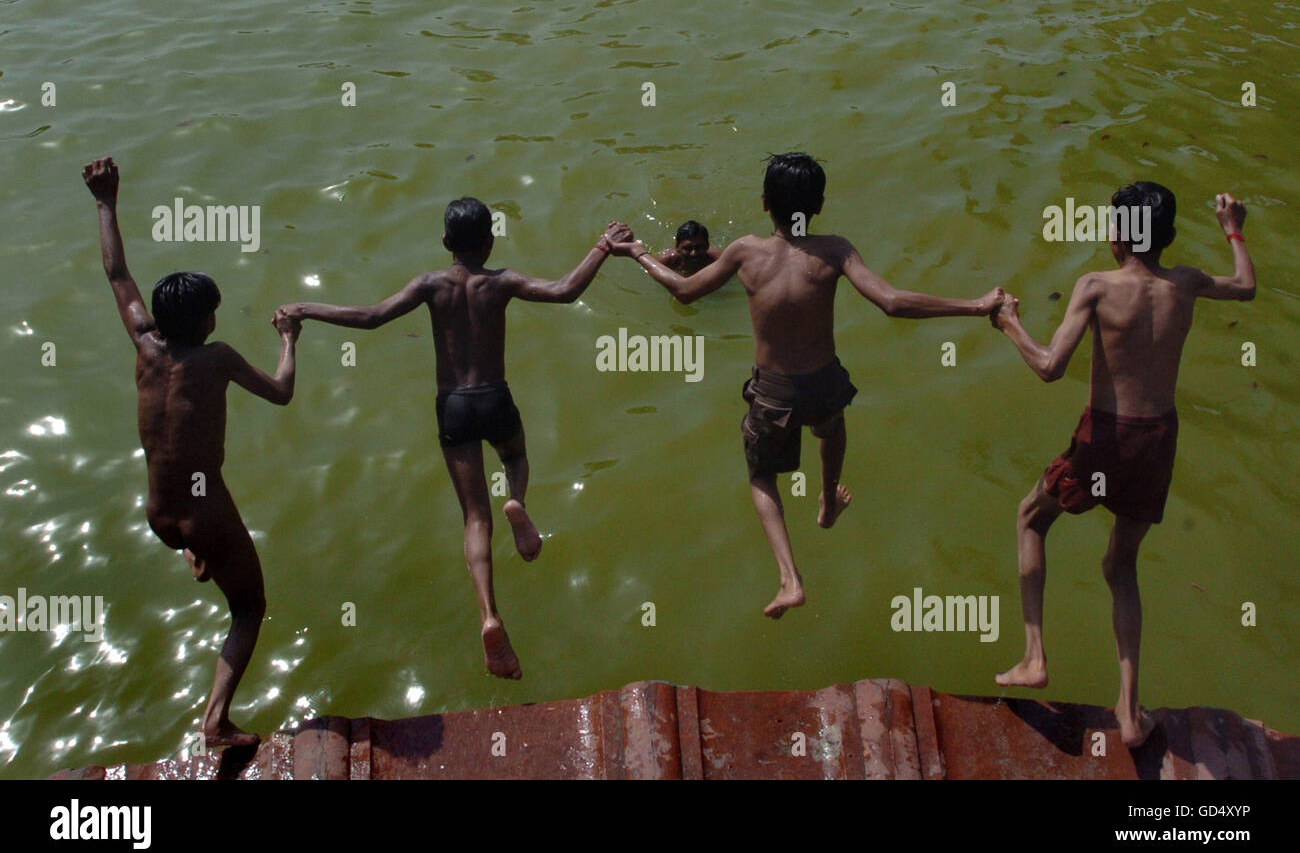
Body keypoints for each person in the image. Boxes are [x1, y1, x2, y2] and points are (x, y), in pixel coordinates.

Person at [607, 153, 1003, 617]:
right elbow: (893, 303)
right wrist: (976, 305)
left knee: (761, 474)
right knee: (831, 426)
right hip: (824, 383)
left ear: (763, 203)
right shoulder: (835, 250)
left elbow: (683, 289)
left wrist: (637, 252)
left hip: (774, 391)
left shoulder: (744, 251)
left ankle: (790, 578)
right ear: (818, 205)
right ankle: (829, 497)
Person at [281, 199, 628, 679]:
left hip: (454, 407)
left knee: (474, 517)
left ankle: (488, 613)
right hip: (495, 397)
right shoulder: (502, 281)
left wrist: (306, 308)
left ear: (446, 243)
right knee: (516, 457)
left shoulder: (429, 284)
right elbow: (565, 291)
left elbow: (372, 316)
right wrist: (602, 247)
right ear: (491, 241)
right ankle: (519, 499)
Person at [992, 183, 1255, 748]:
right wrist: (1233, 229)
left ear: (1117, 236)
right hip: (1159, 438)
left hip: (1105, 437)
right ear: (1169, 238)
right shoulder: (1184, 283)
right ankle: (1131, 714)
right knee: (1121, 567)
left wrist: (1009, 321)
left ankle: (1035, 657)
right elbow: (1247, 287)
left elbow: (1048, 366)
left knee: (1031, 519)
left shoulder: (1095, 286)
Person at [85, 156, 299, 748]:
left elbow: (116, 273)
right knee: (250, 608)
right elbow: (281, 393)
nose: (218, 316)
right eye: (214, 310)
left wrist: (106, 201)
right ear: (204, 320)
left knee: (195, 529)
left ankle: (195, 552)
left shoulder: (144, 341)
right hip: (205, 510)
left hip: (158, 512)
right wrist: (289, 340)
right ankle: (217, 722)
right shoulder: (218, 358)